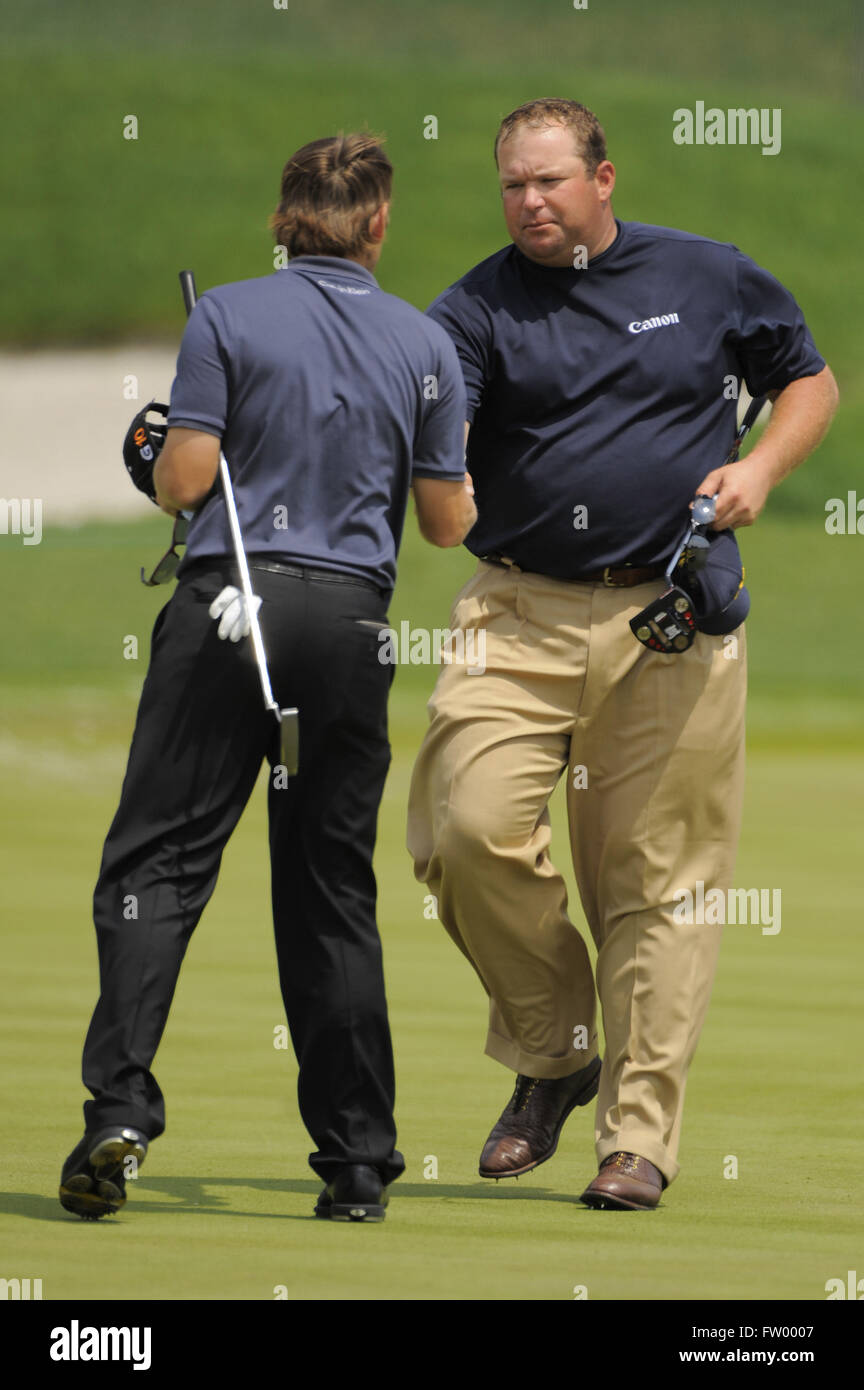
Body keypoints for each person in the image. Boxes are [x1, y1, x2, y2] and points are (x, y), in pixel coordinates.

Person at [407, 98, 838, 1210]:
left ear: (604, 177)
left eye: (549, 181)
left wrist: (763, 474)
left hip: (670, 618)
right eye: (512, 185)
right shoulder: (470, 308)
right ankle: (555, 1051)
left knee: (658, 885)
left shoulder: (707, 275)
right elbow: (436, 444)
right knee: (464, 829)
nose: (529, 203)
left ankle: (636, 1141)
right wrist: (432, 464)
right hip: (518, 610)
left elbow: (811, 381)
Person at [59, 133, 476, 1224]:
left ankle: (120, 1114)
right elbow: (445, 522)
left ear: (284, 216)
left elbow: (187, 478)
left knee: (160, 860)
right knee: (330, 887)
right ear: (377, 222)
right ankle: (355, 1163)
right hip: (346, 626)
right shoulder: (425, 342)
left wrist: (151, 450)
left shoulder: (228, 315)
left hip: (227, 615)